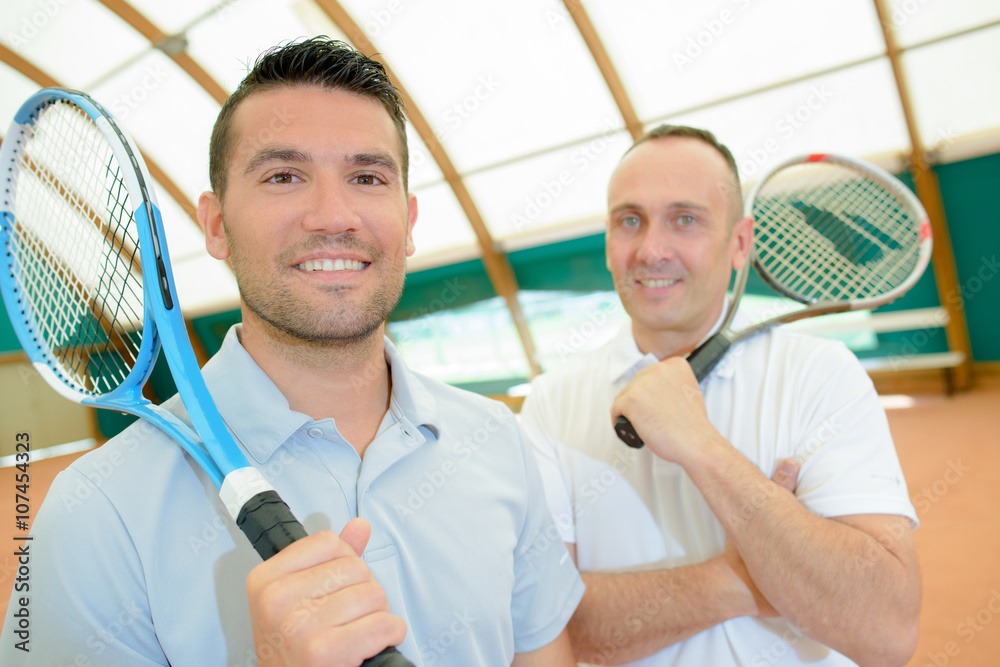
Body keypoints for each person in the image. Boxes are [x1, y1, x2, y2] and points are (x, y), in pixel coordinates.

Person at [0, 38, 583, 667]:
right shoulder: (95, 511)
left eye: (366, 177)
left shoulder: (496, 438)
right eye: (284, 176)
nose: (333, 215)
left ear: (408, 222)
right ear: (216, 225)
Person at [519, 124, 922, 666]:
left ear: (739, 244)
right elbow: (555, 633)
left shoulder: (822, 375)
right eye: (629, 221)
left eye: (685, 219)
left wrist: (700, 444)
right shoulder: (548, 404)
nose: (651, 249)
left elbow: (886, 630)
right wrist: (744, 580)